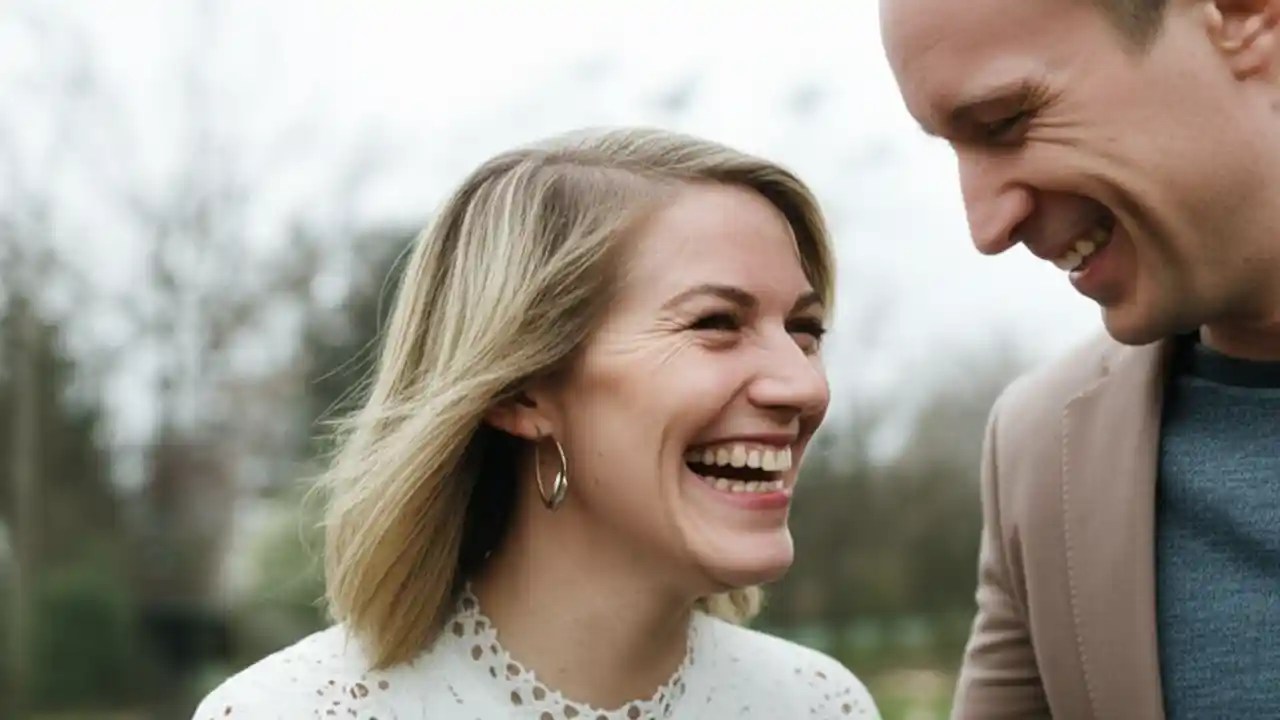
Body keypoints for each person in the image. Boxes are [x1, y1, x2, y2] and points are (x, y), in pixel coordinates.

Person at [191, 127, 880, 719]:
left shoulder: (820, 705)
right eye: (716, 323)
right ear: (522, 390)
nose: (803, 383)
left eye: (805, 330)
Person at [879, 0, 1280, 717]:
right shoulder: (1040, 455)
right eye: (952, 146)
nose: (986, 226)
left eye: (1005, 121)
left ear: (1243, 16)